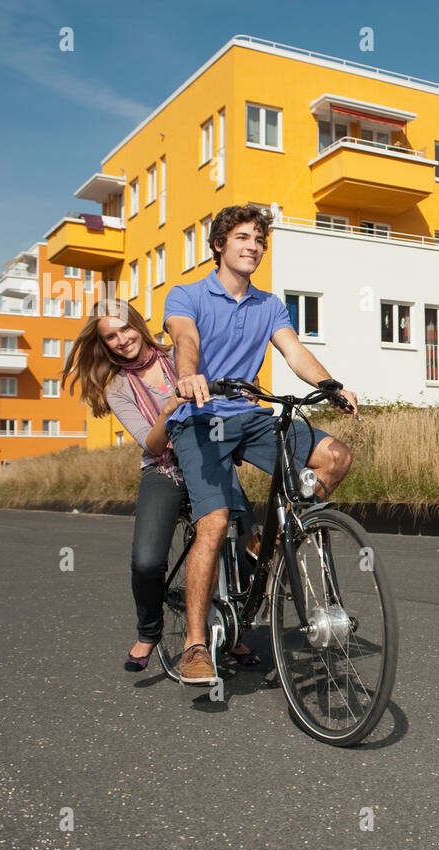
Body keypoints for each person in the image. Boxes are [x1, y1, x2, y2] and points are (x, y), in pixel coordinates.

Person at [164, 204, 358, 685]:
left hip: (250, 416)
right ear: (219, 245)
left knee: (335, 457)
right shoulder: (187, 295)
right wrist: (189, 375)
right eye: (243, 237)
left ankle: (260, 545)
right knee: (212, 522)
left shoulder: (268, 304)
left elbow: (293, 350)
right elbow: (185, 338)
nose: (253, 246)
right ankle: (194, 644)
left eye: (260, 240)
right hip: (200, 418)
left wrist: (331, 385)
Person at [64, 299, 259, 672]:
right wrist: (169, 407)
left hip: (208, 461)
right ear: (104, 345)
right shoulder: (118, 388)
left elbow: (219, 389)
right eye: (111, 337)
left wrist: (243, 392)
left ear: (138, 325)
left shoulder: (177, 356)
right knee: (147, 560)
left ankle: (232, 631)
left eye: (125, 329)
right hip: (165, 470)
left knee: (248, 550)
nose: (122, 340)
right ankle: (149, 632)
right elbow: (152, 445)